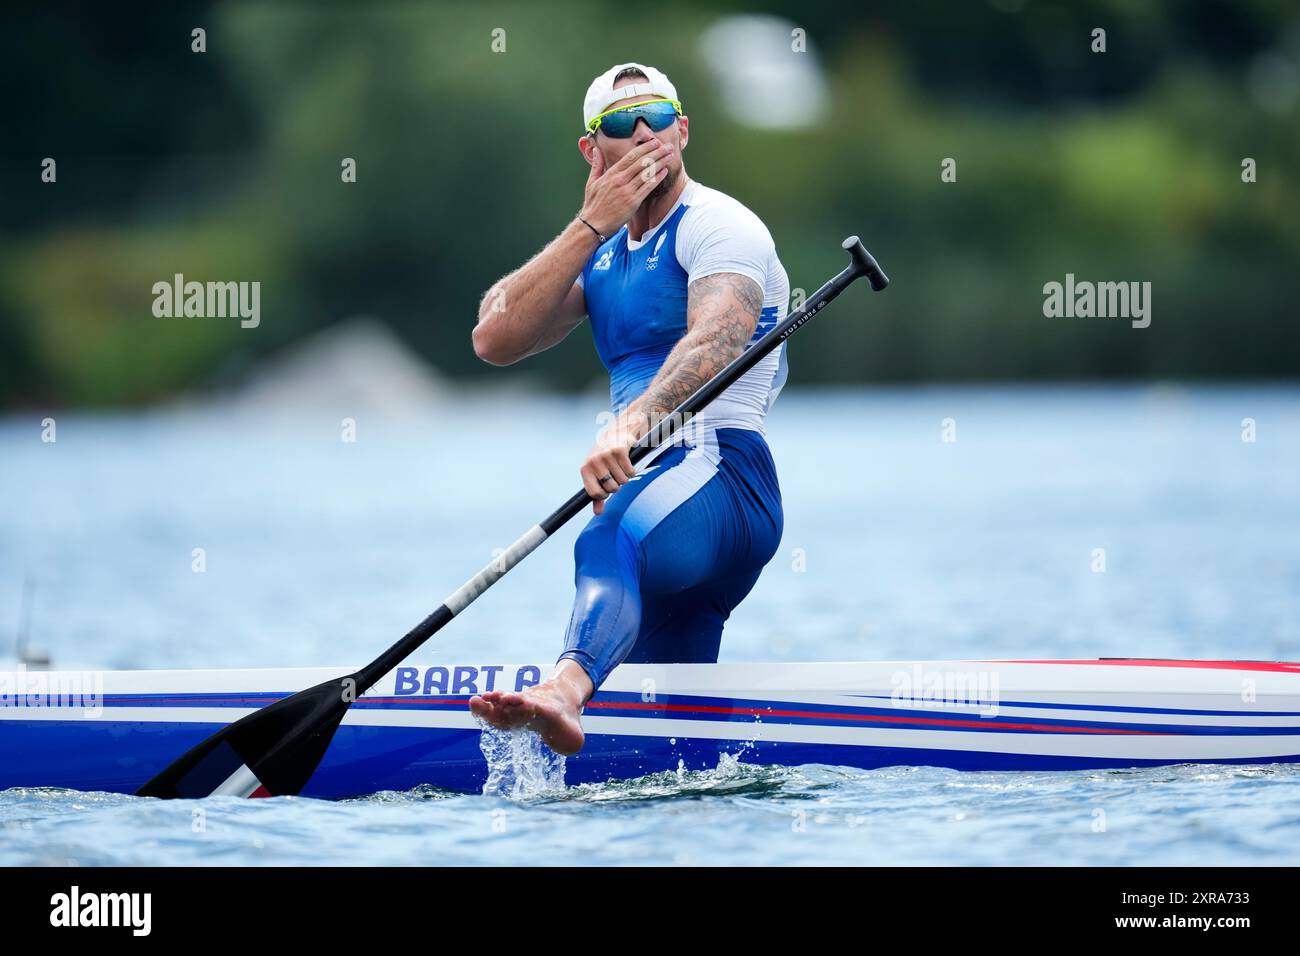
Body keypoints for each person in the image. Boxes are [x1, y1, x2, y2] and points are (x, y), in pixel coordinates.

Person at [468, 62, 789, 754]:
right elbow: (493, 335)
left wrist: (636, 421)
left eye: (658, 115)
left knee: (605, 536)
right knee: (663, 745)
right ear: (593, 149)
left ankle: (562, 690)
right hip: (658, 493)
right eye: (620, 122)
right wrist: (589, 225)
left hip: (721, 477)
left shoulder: (721, 225)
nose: (643, 132)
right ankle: (684, 766)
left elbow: (719, 337)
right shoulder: (605, 252)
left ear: (684, 128)